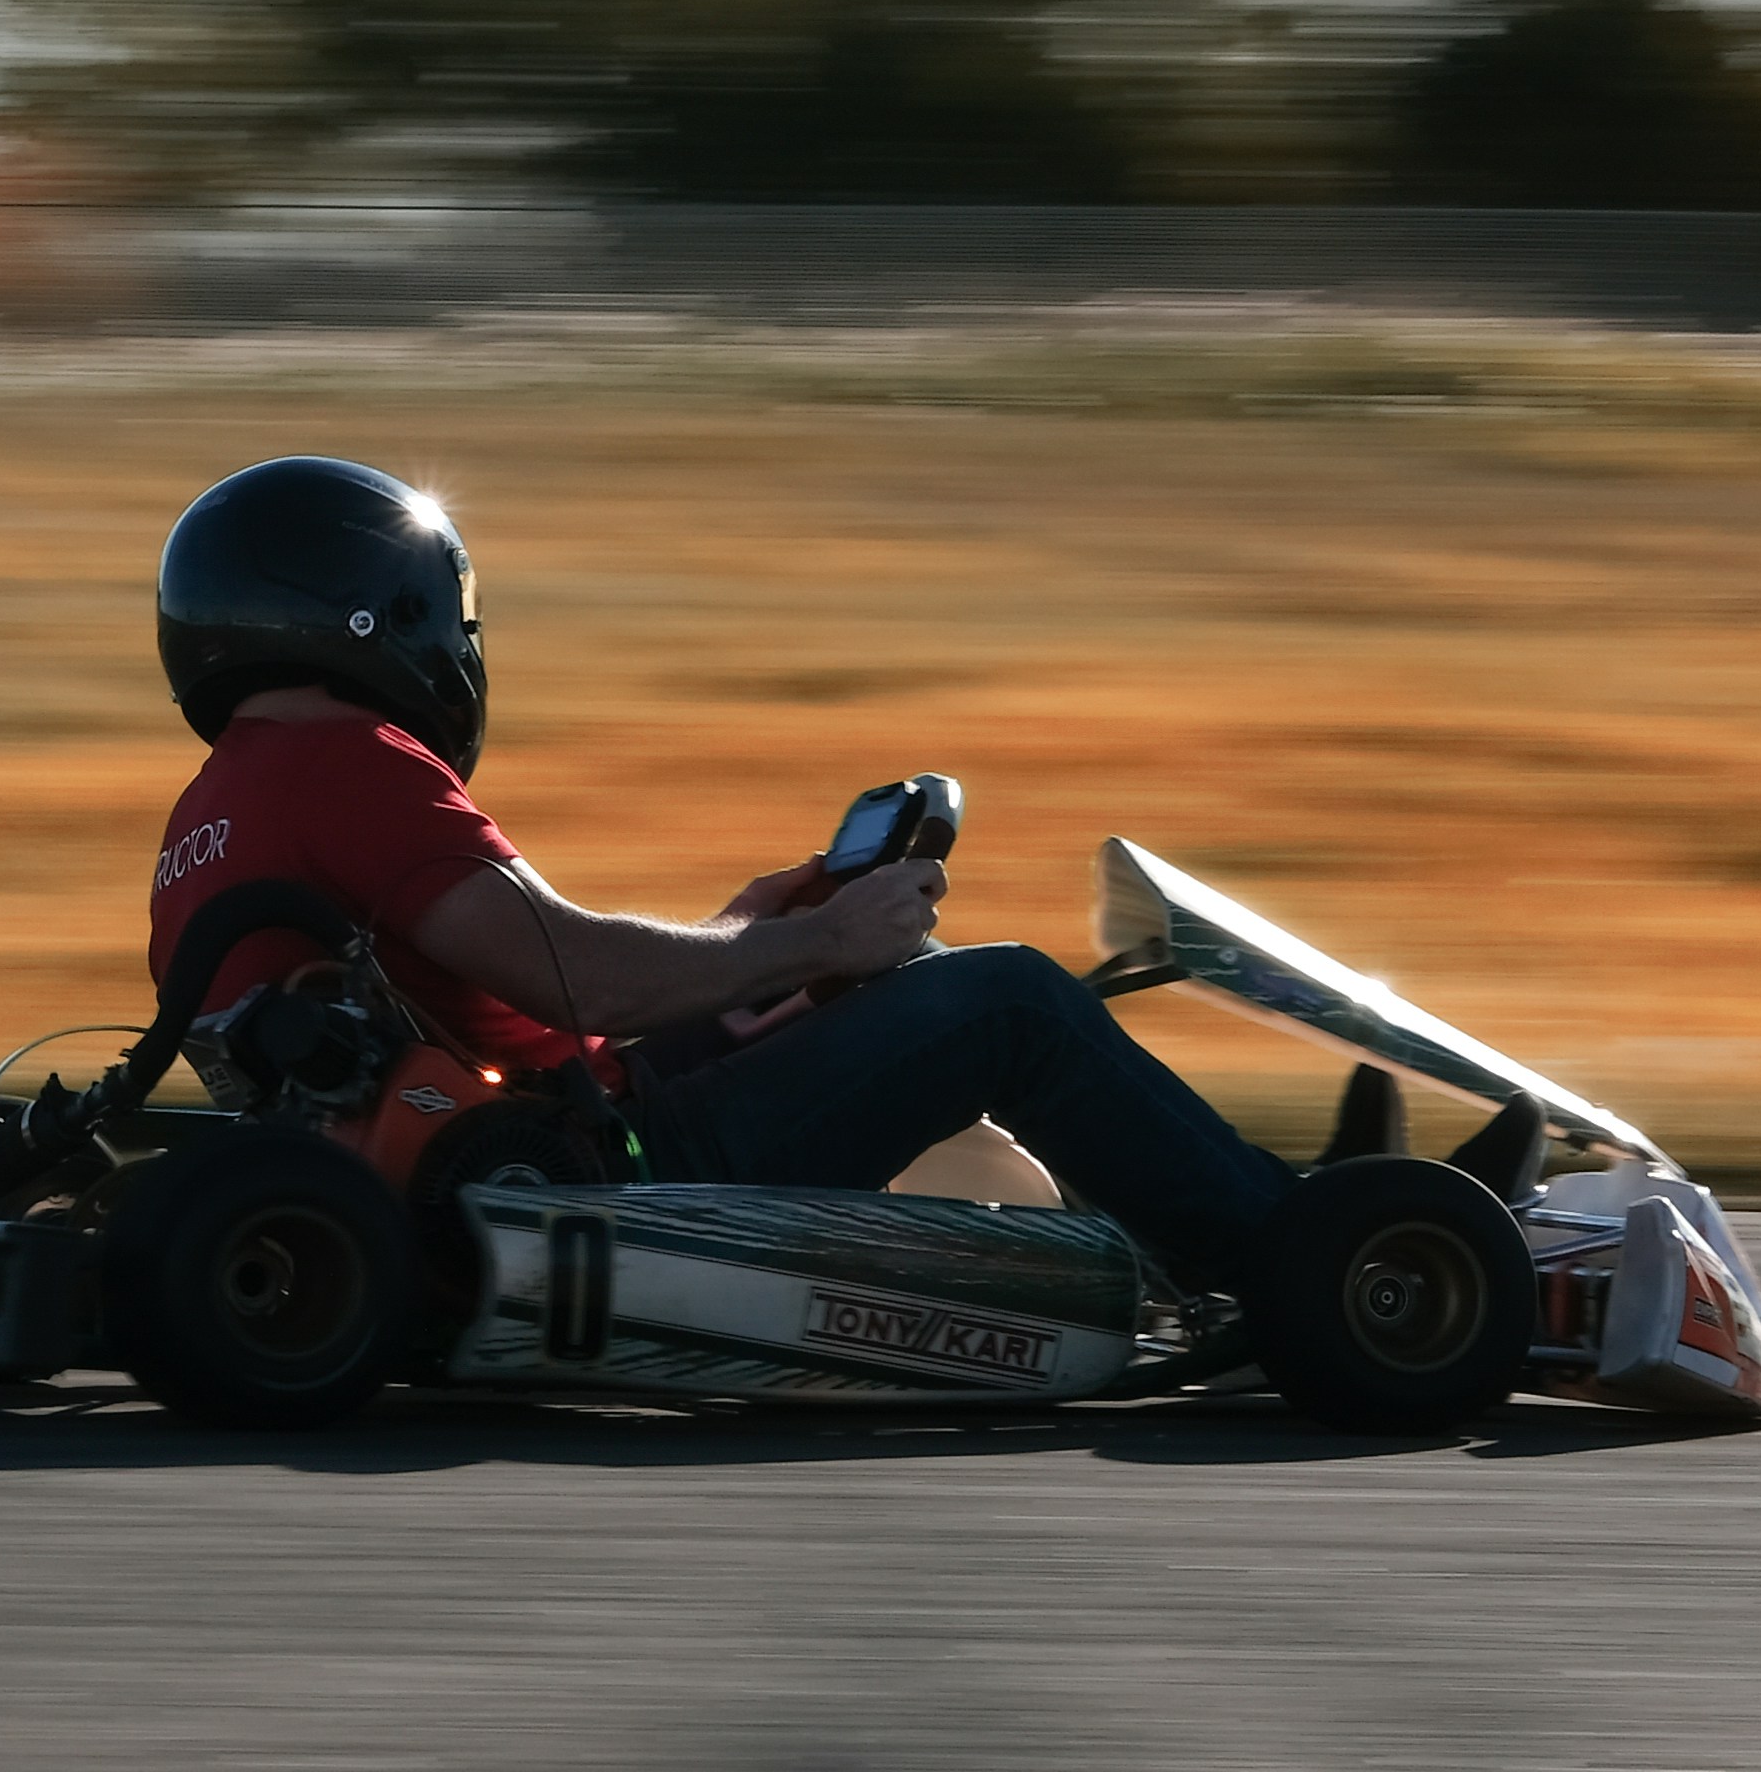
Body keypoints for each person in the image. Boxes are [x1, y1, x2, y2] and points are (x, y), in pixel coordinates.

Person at [142, 454, 1299, 1283]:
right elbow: (578, 977)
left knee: (879, 982)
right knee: (1008, 1002)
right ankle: (1306, 1255)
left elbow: (498, 1004)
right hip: (595, 1181)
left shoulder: (216, 806)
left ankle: (1158, 1234)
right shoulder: (352, 763)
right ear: (381, 614)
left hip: (521, 1144)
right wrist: (824, 938)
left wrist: (748, 943)